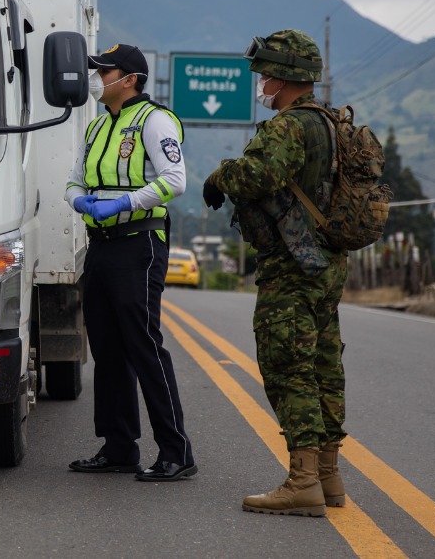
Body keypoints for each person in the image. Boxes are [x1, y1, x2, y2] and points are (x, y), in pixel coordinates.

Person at [202, 29, 346, 517]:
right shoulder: (330, 125)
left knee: (289, 369)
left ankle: (302, 481)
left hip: (292, 265)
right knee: (325, 366)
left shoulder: (288, 128)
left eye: (265, 75)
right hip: (328, 265)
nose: (261, 84)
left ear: (285, 78)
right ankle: (328, 476)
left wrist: (219, 175)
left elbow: (259, 175)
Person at [64, 43, 197, 482]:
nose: (98, 79)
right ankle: (118, 446)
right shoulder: (98, 127)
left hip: (137, 244)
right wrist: (79, 200)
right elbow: (74, 181)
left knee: (142, 344)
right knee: (107, 349)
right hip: (99, 245)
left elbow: (174, 182)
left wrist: (123, 203)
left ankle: (177, 452)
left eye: (106, 72)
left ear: (131, 79)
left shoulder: (153, 121)